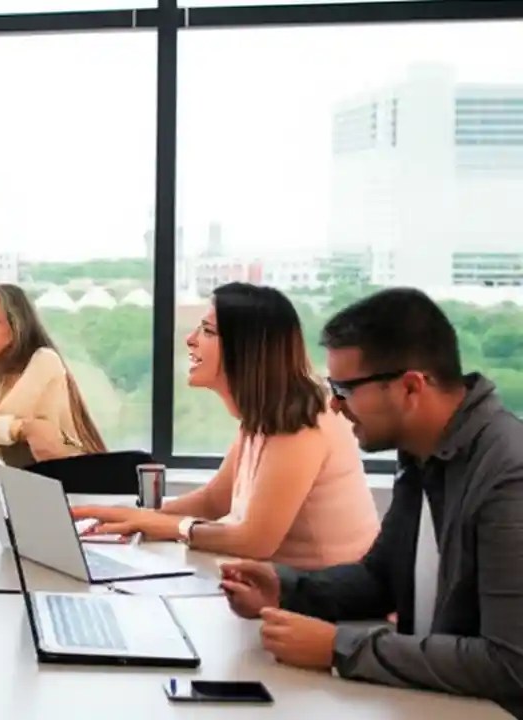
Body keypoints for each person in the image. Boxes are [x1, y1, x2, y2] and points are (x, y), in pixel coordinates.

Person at [219, 287, 523, 715]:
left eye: (344, 389)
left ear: (410, 387)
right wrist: (286, 589)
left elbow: (509, 663)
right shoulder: (422, 454)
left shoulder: (508, 475)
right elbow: (381, 579)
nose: (334, 406)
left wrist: (338, 647)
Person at [72, 283, 378, 569]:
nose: (190, 339)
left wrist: (168, 526)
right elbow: (214, 500)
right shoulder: (264, 413)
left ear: (245, 349)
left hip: (332, 599)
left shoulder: (301, 422)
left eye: (207, 331)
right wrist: (133, 517)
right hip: (290, 589)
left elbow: (255, 541)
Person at [0, 283, 106, 466]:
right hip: (8, 476)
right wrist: (19, 428)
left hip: (65, 475)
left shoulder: (45, 361)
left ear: (18, 326)